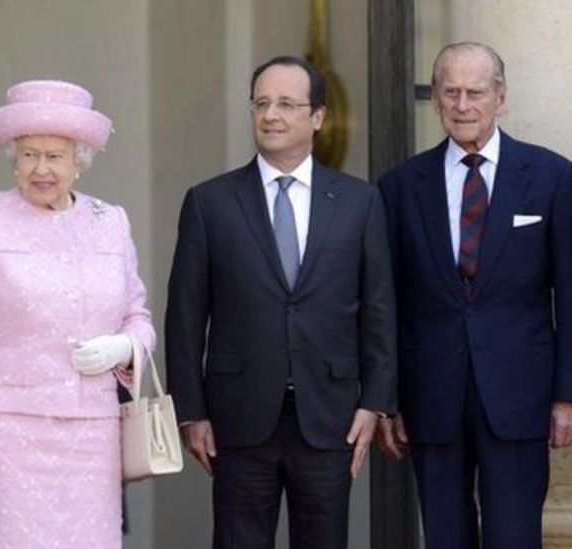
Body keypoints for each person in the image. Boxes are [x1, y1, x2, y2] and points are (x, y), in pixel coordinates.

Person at [165, 55, 396, 548]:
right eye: (262, 103)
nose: (271, 115)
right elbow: (185, 317)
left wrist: (375, 401)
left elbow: (378, 309)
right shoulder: (209, 202)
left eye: (287, 104)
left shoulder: (359, 202)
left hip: (329, 416)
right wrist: (191, 412)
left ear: (317, 117)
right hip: (238, 418)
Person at [376, 42, 572, 548]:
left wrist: (570, 395)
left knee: (516, 537)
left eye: (475, 92)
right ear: (435, 100)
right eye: (449, 92)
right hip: (430, 393)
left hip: (521, 393)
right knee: (444, 537)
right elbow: (387, 301)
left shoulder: (551, 177)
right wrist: (386, 399)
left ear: (501, 97)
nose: (462, 105)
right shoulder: (400, 185)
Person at [0, 79, 155, 548]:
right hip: (7, 436)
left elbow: (138, 315)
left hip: (92, 439)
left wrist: (125, 345)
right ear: (14, 158)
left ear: (80, 160)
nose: (40, 168)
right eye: (29, 154)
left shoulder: (109, 222)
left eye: (55, 156)